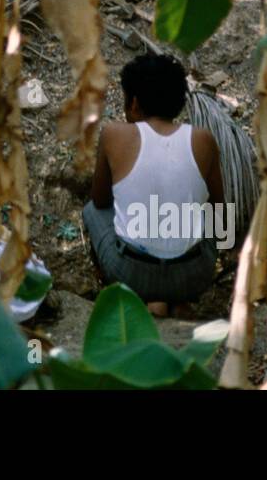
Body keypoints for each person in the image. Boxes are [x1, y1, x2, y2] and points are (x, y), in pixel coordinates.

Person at [82, 52, 223, 318]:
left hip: (131, 272)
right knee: (209, 219)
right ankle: (179, 300)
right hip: (194, 274)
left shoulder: (114, 134)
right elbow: (219, 209)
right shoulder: (203, 140)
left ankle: (141, 298)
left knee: (91, 210)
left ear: (134, 103)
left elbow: (100, 200)